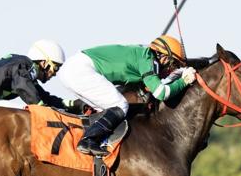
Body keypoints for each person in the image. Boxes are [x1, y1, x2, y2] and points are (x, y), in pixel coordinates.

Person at [57, 35, 197, 156]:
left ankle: (94, 134)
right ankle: (88, 140)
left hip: (74, 69)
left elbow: (154, 84)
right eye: (172, 63)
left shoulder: (143, 55)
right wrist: (184, 81)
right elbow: (161, 93)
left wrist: (176, 76)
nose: (170, 68)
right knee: (120, 105)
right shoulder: (147, 59)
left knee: (108, 110)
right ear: (164, 57)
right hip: (80, 69)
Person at [0, 39, 85, 118]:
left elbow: (44, 98)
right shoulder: (25, 66)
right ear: (44, 62)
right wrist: (46, 111)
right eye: (55, 68)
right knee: (26, 115)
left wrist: (75, 105)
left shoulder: (23, 69)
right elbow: (27, 91)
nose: (54, 73)